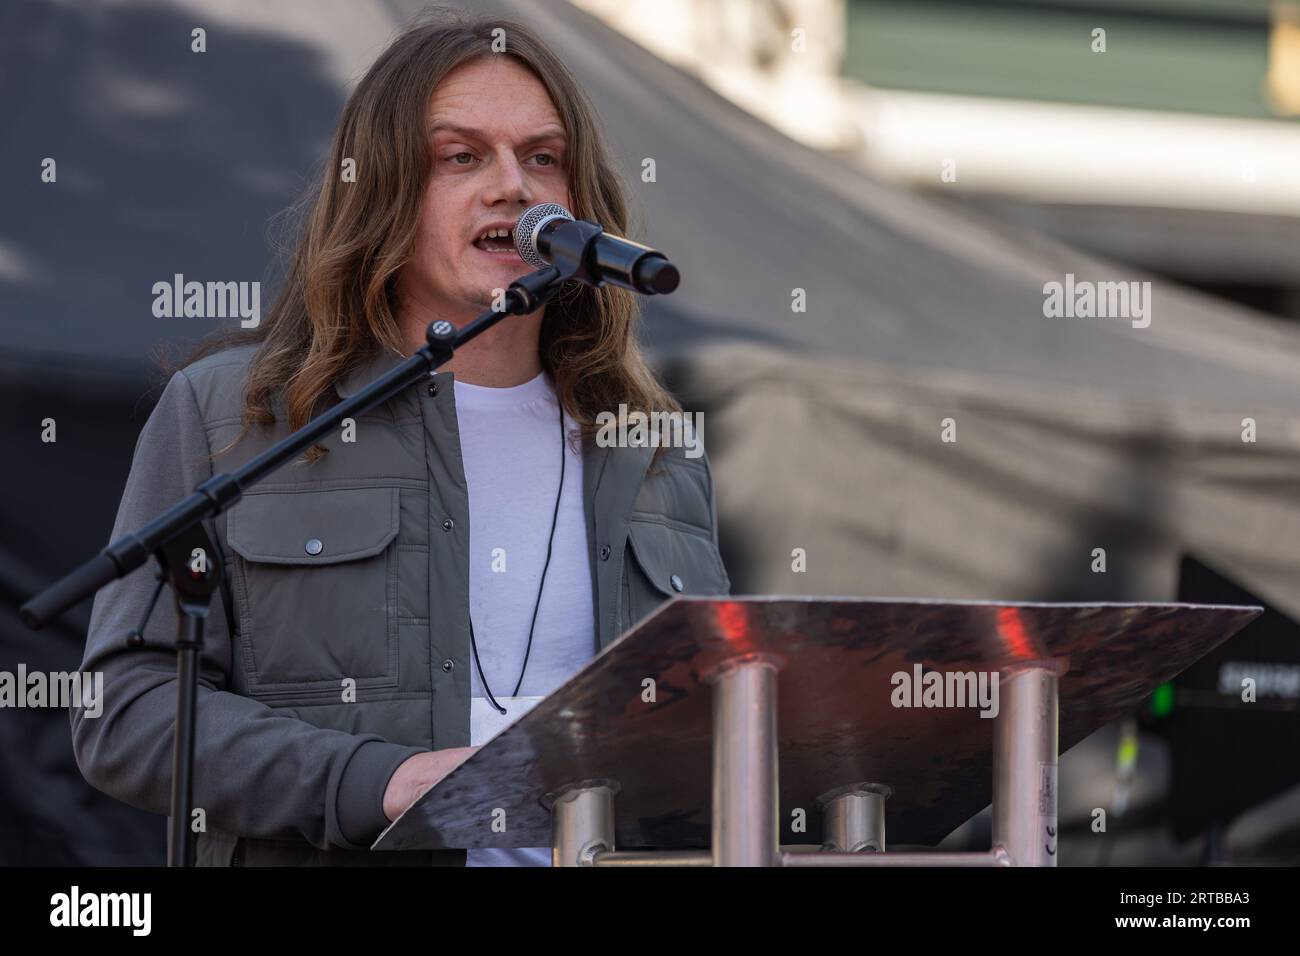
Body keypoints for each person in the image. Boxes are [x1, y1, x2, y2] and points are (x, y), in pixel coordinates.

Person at [71, 12, 730, 866]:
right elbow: (125, 711)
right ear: (380, 188)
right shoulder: (234, 415)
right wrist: (374, 780)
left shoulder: (654, 443)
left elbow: (718, 714)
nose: (512, 187)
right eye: (461, 157)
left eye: (542, 157)